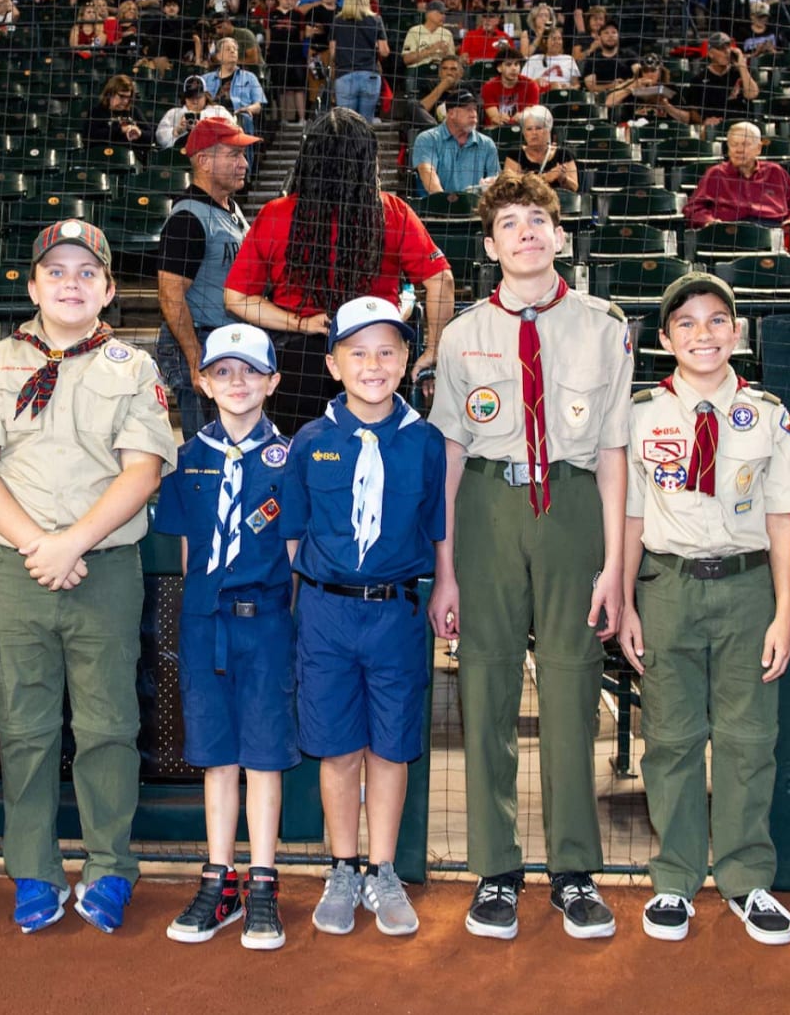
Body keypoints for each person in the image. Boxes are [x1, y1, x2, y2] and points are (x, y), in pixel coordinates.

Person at [0, 221, 176, 935]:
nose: (70, 283)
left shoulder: (133, 368)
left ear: (109, 288)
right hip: (18, 571)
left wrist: (73, 541)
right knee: (23, 728)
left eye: (87, 272)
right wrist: (36, 545)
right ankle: (35, 871)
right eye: (57, 271)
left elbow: (142, 470)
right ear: (32, 284)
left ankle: (110, 868)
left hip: (105, 567)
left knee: (109, 725)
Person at [426, 173, 633, 943]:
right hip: (485, 502)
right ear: (489, 245)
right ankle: (495, 871)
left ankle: (575, 869)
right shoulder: (462, 334)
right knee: (484, 684)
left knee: (576, 686)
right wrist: (445, 566)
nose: (525, 233)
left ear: (559, 233)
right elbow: (449, 449)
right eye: (509, 223)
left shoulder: (604, 326)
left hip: (573, 502)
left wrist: (614, 563)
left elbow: (614, 451)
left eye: (537, 220)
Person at [616, 273, 790, 947]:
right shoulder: (639, 414)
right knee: (668, 739)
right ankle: (674, 878)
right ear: (665, 339)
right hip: (667, 587)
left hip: (747, 586)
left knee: (748, 738)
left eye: (717, 320)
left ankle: (746, 878)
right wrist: (627, 599)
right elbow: (632, 515)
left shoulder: (769, 411)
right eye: (688, 324)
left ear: (737, 332)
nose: (704, 334)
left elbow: (785, 515)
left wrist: (785, 612)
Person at [284, 296, 449, 939]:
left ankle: (383, 869)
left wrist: (444, 586)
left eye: (388, 350)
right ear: (333, 363)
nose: (373, 364)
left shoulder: (426, 443)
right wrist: (323, 590)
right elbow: (293, 533)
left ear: (407, 360)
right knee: (338, 748)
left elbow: (438, 528)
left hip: (397, 612)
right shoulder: (311, 441)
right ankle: (342, 867)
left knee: (391, 745)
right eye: (357, 351)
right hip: (327, 613)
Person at [153, 324, 296, 950]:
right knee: (216, 754)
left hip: (266, 624)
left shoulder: (289, 460)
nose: (237, 383)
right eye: (224, 372)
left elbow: (292, 557)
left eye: (250, 372)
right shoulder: (186, 460)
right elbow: (188, 555)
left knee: (264, 754)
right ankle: (220, 878)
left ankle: (263, 881)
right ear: (204, 382)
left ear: (272, 382)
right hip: (205, 623)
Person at [227, 108, 454, 435]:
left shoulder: (275, 214)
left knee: (298, 463)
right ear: (367, 159)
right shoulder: (393, 212)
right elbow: (442, 281)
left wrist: (300, 322)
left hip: (299, 360)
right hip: (374, 359)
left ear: (309, 157)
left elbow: (237, 298)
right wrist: (433, 349)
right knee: (378, 459)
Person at [157, 114, 259, 428]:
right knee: (206, 452)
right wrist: (194, 357)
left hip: (225, 339)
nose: (243, 163)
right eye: (233, 155)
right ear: (203, 160)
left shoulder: (230, 208)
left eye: (243, 154)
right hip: (199, 341)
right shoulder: (187, 218)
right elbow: (170, 295)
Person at [685, 122, 790, 228]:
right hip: (730, 232)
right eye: (734, 145)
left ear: (758, 148)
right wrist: (709, 221)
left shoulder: (775, 171)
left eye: (745, 144)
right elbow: (693, 209)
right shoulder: (716, 173)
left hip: (771, 229)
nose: (738, 150)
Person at [412, 89, 502, 195]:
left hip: (476, 207)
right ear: (451, 113)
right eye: (468, 109)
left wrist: (491, 182)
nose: (473, 114)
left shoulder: (487, 144)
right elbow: (428, 173)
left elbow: (496, 179)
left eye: (475, 109)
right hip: (438, 206)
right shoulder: (428, 139)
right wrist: (444, 203)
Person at [326, 0, 389, 121]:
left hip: (345, 75)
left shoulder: (337, 20)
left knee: (347, 124)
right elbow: (384, 51)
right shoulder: (376, 20)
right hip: (369, 75)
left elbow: (333, 52)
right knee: (365, 124)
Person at [200, 36, 267, 140]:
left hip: (238, 121)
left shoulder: (250, 77)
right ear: (218, 56)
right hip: (210, 121)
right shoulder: (205, 79)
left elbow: (258, 106)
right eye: (228, 49)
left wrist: (247, 109)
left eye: (235, 49)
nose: (232, 51)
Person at [504, 105, 578, 194]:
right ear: (523, 132)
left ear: (548, 130)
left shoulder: (563, 154)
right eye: (529, 129)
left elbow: (574, 188)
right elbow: (510, 186)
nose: (534, 133)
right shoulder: (515, 154)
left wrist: (563, 178)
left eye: (538, 128)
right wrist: (545, 177)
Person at [480, 46, 542, 130]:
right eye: (509, 64)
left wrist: (522, 116)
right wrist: (500, 118)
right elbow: (494, 117)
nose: (514, 68)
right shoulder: (488, 87)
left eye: (516, 64)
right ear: (499, 68)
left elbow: (529, 114)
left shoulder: (531, 85)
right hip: (497, 130)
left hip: (522, 129)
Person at [84, 74, 150, 149]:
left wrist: (140, 133)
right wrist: (121, 130)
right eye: (121, 96)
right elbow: (89, 137)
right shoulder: (97, 112)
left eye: (128, 97)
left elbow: (151, 136)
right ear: (110, 93)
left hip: (132, 157)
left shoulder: (134, 111)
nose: (125, 101)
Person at [155, 75, 212, 150]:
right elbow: (160, 138)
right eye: (190, 97)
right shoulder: (173, 113)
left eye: (198, 97)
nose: (194, 101)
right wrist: (176, 131)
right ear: (185, 98)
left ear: (206, 96)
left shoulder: (218, 111)